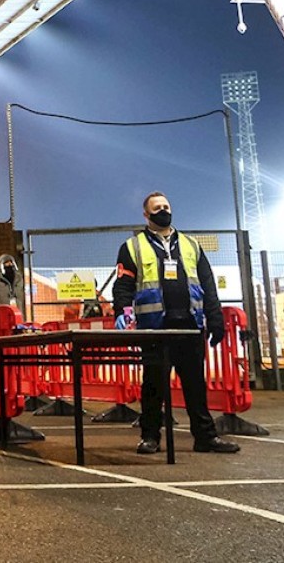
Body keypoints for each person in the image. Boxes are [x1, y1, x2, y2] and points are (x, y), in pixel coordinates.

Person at [111, 191, 240, 454]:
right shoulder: (133, 247)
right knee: (153, 386)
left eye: (166, 206)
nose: (163, 211)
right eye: (157, 208)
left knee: (195, 386)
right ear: (146, 215)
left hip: (190, 326)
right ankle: (150, 437)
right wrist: (123, 312)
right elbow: (123, 286)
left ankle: (205, 437)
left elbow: (207, 284)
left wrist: (215, 318)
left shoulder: (191, 245)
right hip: (154, 328)